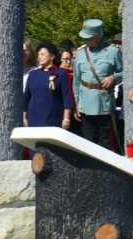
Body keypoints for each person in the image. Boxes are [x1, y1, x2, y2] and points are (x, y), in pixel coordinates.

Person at [73, 19, 122, 151]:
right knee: (88, 142)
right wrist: (77, 103)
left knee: (104, 142)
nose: (86, 41)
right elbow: (77, 81)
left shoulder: (113, 51)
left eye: (89, 38)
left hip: (103, 103)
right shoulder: (81, 54)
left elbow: (126, 72)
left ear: (98, 36)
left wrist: (114, 77)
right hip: (85, 104)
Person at [24, 42, 73, 129]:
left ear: (52, 56)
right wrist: (24, 116)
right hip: (34, 118)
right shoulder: (33, 74)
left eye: (43, 54)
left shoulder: (61, 74)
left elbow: (67, 97)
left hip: (53, 118)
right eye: (38, 55)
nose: (40, 57)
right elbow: (27, 97)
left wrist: (66, 118)